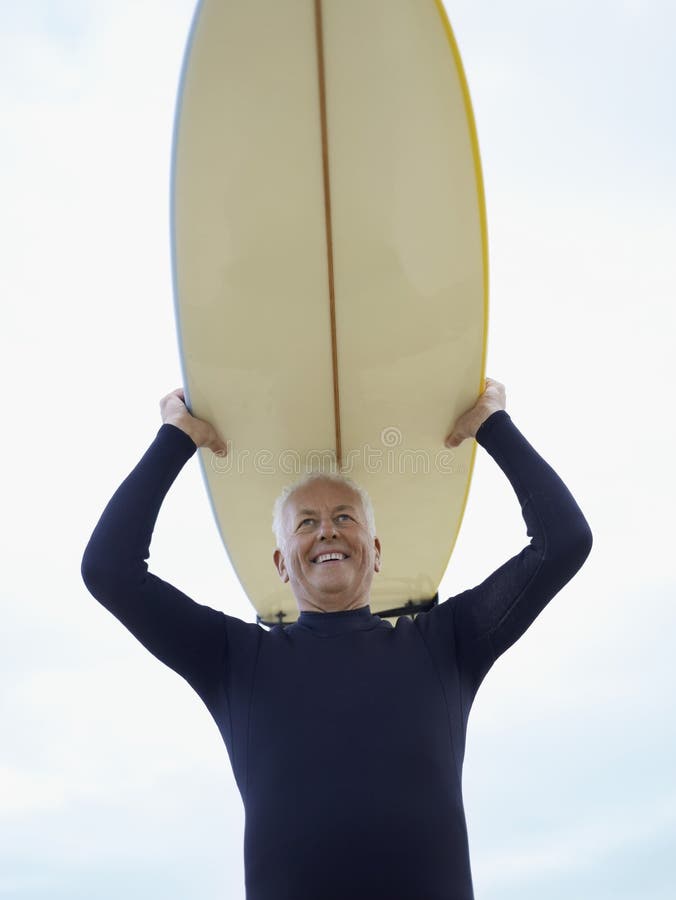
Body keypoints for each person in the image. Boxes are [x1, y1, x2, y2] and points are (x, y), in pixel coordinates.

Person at [81, 378, 592, 900]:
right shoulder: (235, 661)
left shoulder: (447, 646)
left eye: (343, 518)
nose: (327, 531)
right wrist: (176, 438)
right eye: (306, 523)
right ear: (282, 563)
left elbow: (563, 542)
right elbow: (109, 570)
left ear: (375, 550)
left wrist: (492, 425)